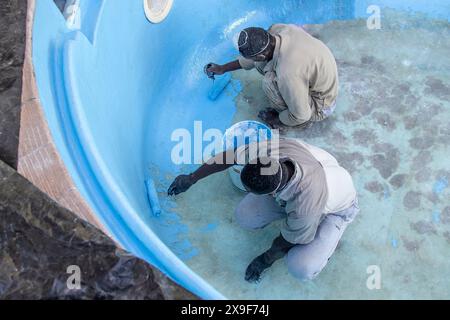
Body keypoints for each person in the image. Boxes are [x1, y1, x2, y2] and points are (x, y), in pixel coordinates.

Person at [168, 138, 358, 282]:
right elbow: (230, 156)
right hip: (317, 169)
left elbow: (286, 241)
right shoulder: (270, 154)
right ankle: (292, 215)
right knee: (245, 216)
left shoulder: (306, 206)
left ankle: (329, 243)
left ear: (273, 192)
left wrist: (264, 260)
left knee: (301, 267)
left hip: (335, 206)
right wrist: (192, 178)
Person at [205, 25, 339, 130]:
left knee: (269, 82)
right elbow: (256, 58)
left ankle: (290, 124)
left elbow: (302, 115)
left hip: (322, 105)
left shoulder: (288, 73)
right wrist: (222, 68)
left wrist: (277, 118)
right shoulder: (281, 30)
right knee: (266, 67)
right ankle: (294, 99)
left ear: (261, 56)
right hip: (319, 80)